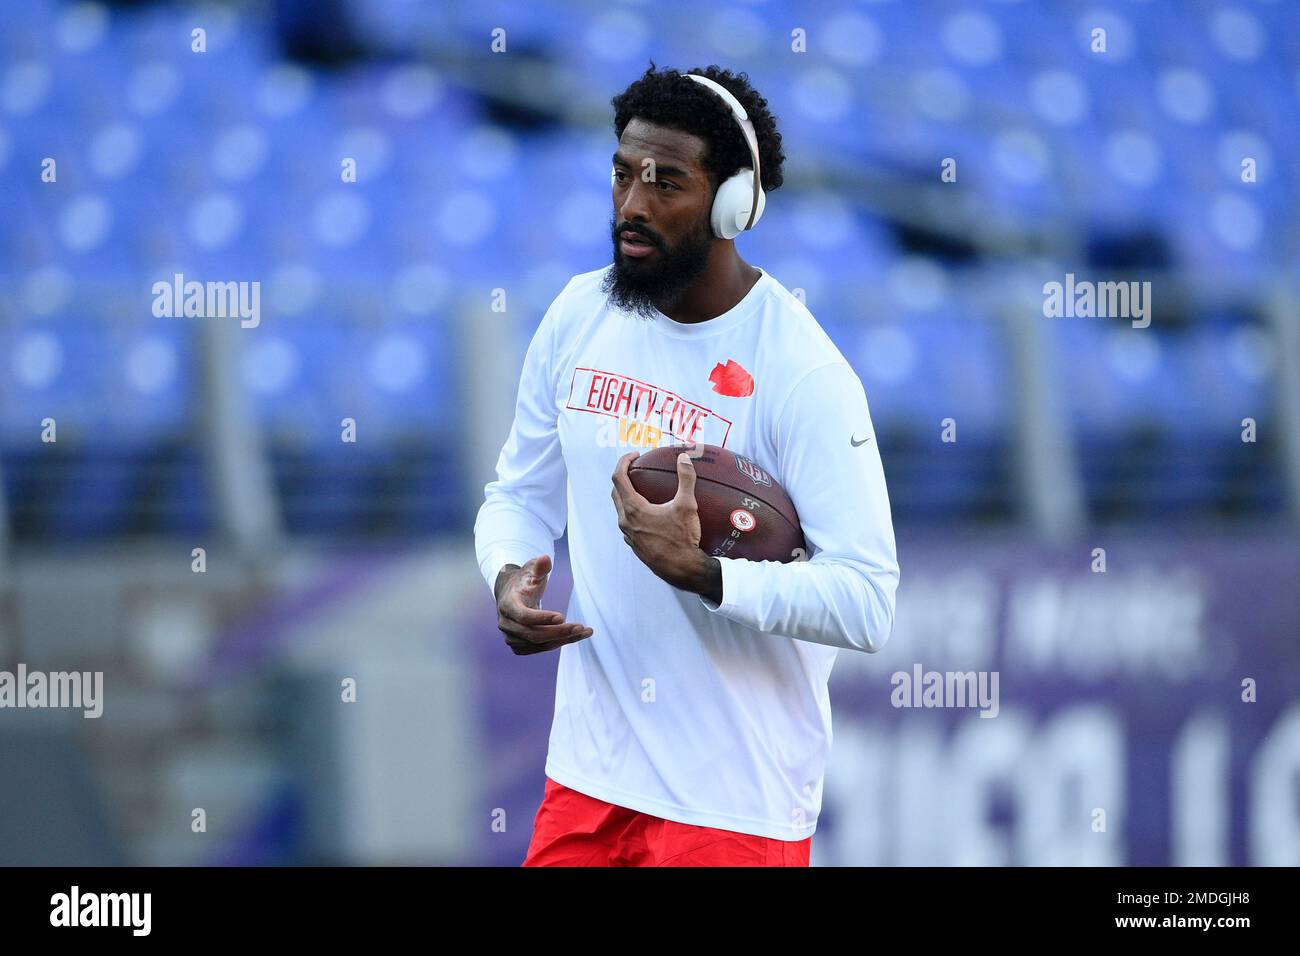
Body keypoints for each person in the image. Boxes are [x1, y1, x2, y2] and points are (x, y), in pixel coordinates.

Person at [474, 63, 899, 867]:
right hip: (588, 782)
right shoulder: (578, 314)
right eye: (623, 173)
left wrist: (708, 573)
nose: (633, 204)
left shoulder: (803, 370)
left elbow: (867, 600)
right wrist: (505, 574)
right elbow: (517, 498)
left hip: (731, 803)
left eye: (667, 182)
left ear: (733, 203)